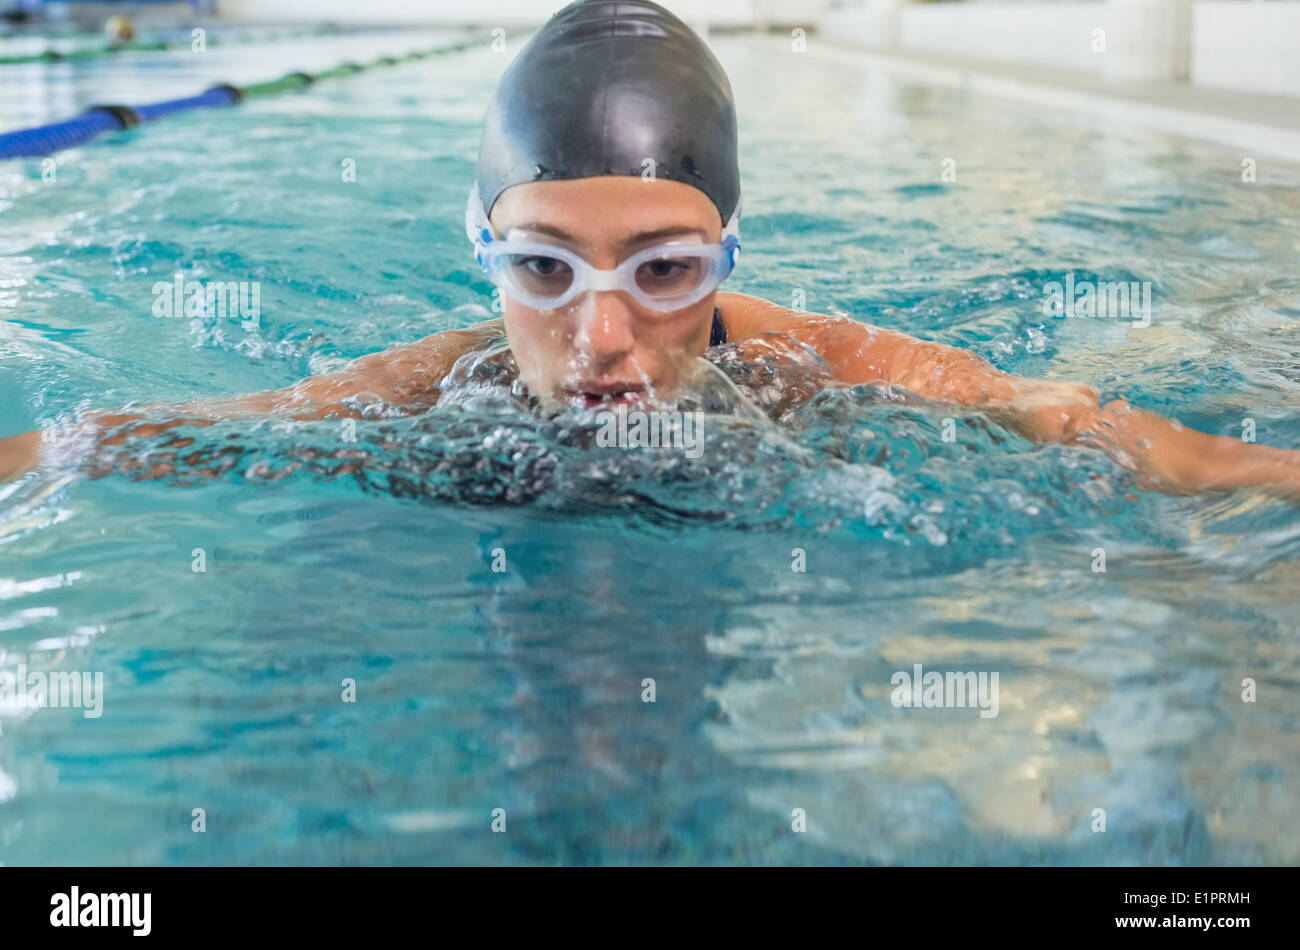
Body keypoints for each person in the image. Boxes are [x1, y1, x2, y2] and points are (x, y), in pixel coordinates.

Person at [3, 0, 1299, 497]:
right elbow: (144, 433)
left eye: (665, 269)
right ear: (485, 252)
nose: (601, 338)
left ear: (729, 252)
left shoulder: (818, 366)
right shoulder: (435, 387)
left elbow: (1069, 418)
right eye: (543, 269)